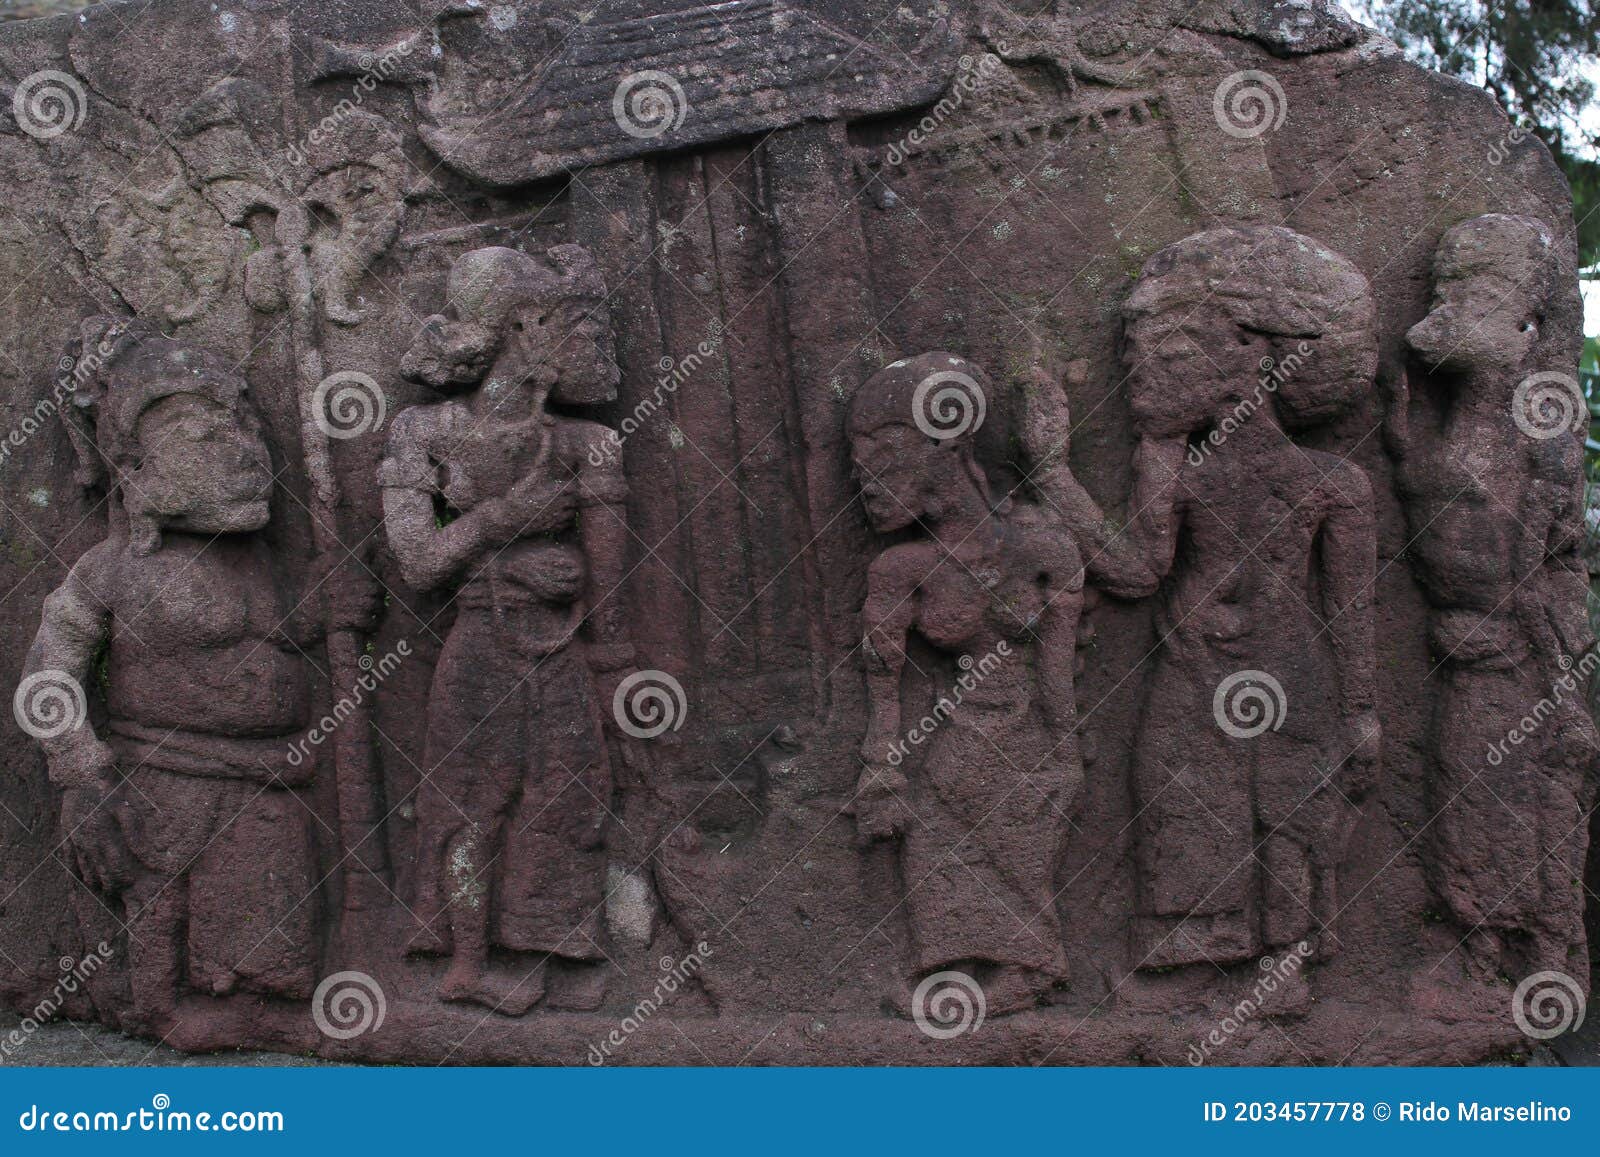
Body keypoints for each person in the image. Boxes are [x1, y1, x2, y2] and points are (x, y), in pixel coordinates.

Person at [21, 318, 319, 1040]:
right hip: (163, 782)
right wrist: (82, 774)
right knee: (162, 911)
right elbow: (47, 678)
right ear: (137, 474)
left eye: (247, 431)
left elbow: (297, 631)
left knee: (270, 924)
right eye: (205, 438)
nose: (246, 454)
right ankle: (158, 1004)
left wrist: (340, 606)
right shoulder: (111, 571)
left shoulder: (265, 565)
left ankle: (258, 1007)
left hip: (266, 778)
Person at [381, 245, 634, 1014]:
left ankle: (547, 943)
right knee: (469, 799)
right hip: (480, 644)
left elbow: (608, 582)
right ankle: (466, 958)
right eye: (566, 324)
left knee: (568, 790)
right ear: (525, 326)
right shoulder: (424, 430)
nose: (584, 343)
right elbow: (419, 563)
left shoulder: (587, 443)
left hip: (556, 645)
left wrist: (610, 653)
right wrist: (501, 524)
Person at [1120, 226, 1381, 969]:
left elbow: (1351, 611)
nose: (1141, 373)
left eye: (1165, 353)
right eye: (1134, 355)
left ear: (1246, 353)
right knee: (1174, 792)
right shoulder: (1177, 468)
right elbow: (1141, 570)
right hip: (1190, 665)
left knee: (1285, 812)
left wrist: (1364, 712)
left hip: (1289, 673)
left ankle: (1285, 960)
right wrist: (1056, 474)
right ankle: (1197, 955)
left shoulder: (1334, 482)